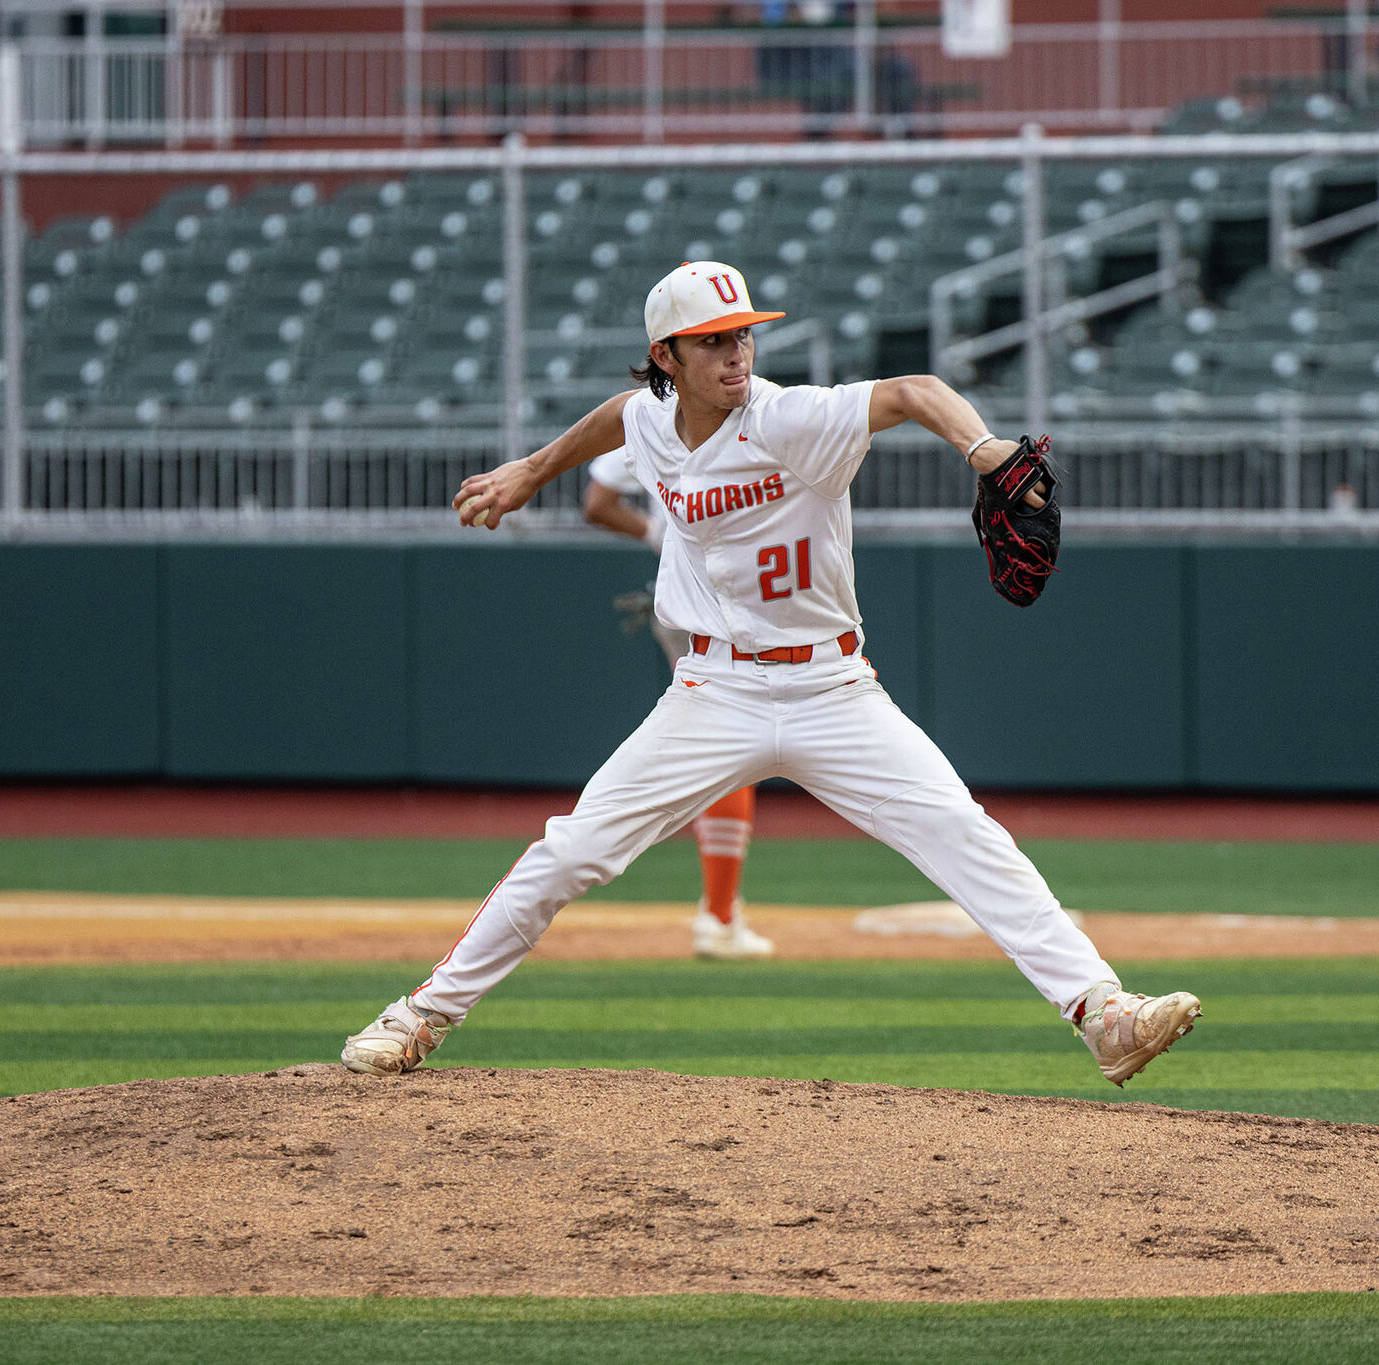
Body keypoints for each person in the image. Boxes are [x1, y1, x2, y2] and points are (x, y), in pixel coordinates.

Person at [342, 259, 1201, 1086]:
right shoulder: (652, 419)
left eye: (743, 335)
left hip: (834, 690)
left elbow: (910, 392)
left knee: (964, 833)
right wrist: (532, 468)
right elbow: (619, 418)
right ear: (666, 361)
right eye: (712, 341)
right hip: (713, 690)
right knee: (571, 850)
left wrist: (981, 448)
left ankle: (1103, 1014)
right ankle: (423, 1013)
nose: (736, 354)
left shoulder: (790, 419)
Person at [584, 449, 772, 960]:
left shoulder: (654, 422)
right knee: (734, 744)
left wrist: (658, 536)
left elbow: (597, 502)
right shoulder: (757, 418)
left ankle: (720, 910)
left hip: (683, 594)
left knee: (714, 735)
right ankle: (719, 913)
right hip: (747, 596)